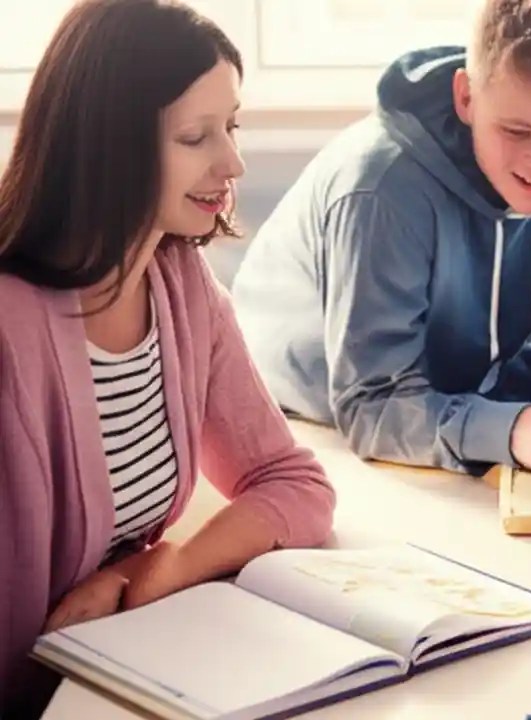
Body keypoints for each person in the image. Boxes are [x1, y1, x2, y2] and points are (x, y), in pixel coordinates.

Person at [0, 1, 336, 714]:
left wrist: (164, 565)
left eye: (231, 126)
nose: (233, 161)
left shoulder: (180, 284)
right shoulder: (9, 325)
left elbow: (293, 484)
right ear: (107, 146)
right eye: (195, 136)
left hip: (125, 674)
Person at [232, 0, 531, 487]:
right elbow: (370, 406)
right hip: (310, 428)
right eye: (516, 131)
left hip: (444, 411)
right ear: (466, 97)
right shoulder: (380, 187)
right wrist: (514, 427)